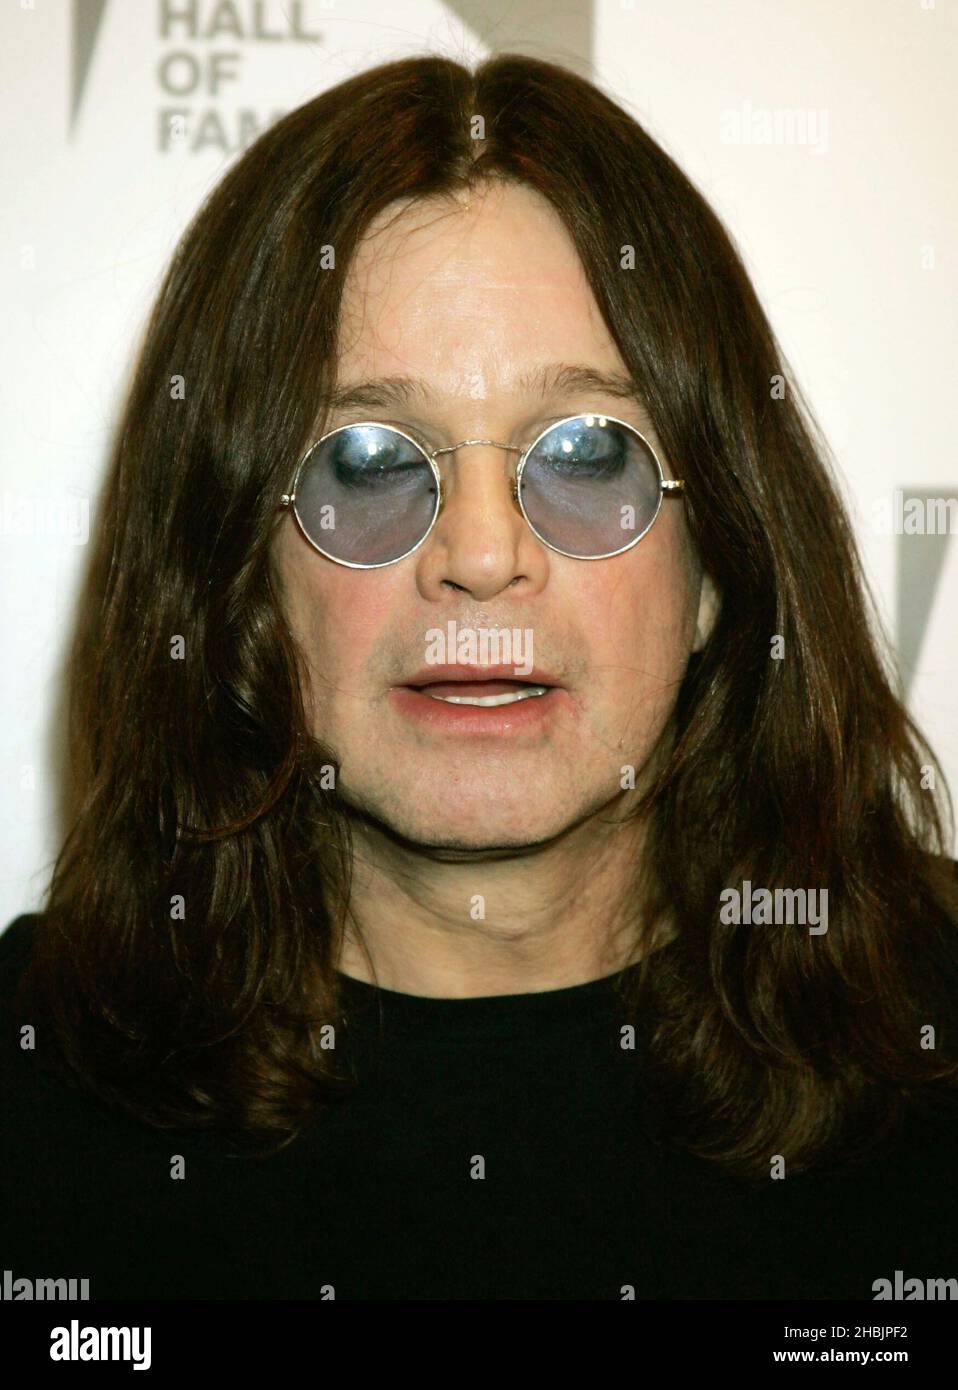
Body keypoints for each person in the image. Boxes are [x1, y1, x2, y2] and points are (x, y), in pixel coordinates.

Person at [1, 52, 956, 1303]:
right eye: (365, 460)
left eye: (584, 453)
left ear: (716, 558)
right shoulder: (34, 1093)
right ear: (238, 571)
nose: (483, 556)